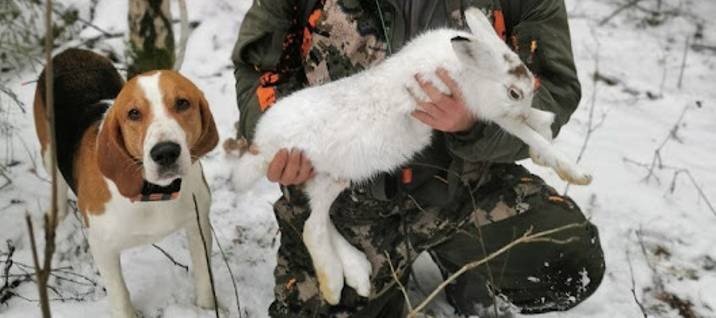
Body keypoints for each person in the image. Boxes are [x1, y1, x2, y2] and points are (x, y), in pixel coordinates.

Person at [232, 0, 605, 316]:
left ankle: (463, 265)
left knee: (569, 262)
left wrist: (475, 124)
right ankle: (381, 268)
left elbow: (552, 87)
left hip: (464, 184)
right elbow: (260, 70)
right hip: (350, 199)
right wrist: (283, 143)